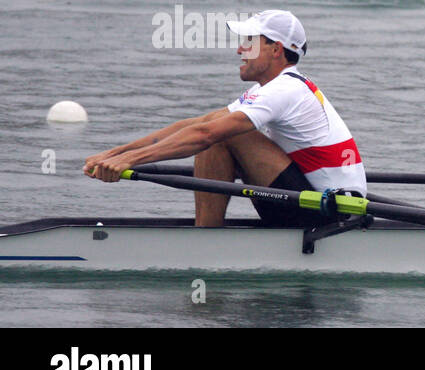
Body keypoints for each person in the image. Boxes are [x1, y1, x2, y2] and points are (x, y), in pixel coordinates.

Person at [83, 10, 365, 227]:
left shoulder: (285, 89)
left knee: (223, 135)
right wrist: (116, 153)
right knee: (217, 131)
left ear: (276, 49)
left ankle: (206, 242)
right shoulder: (272, 89)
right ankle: (207, 236)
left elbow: (205, 134)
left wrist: (129, 162)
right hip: (311, 200)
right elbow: (197, 125)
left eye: (249, 42)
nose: (240, 50)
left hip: (332, 214)